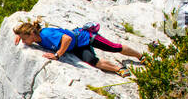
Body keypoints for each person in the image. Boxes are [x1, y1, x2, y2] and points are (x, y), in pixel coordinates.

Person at [13, 18, 143, 75]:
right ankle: (118, 68)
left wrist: (57, 55)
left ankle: (140, 56)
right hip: (77, 47)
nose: (24, 42)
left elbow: (67, 38)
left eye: (25, 38)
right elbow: (26, 28)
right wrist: (19, 35)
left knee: (114, 47)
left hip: (85, 37)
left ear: (31, 34)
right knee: (92, 61)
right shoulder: (35, 37)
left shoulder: (46, 35)